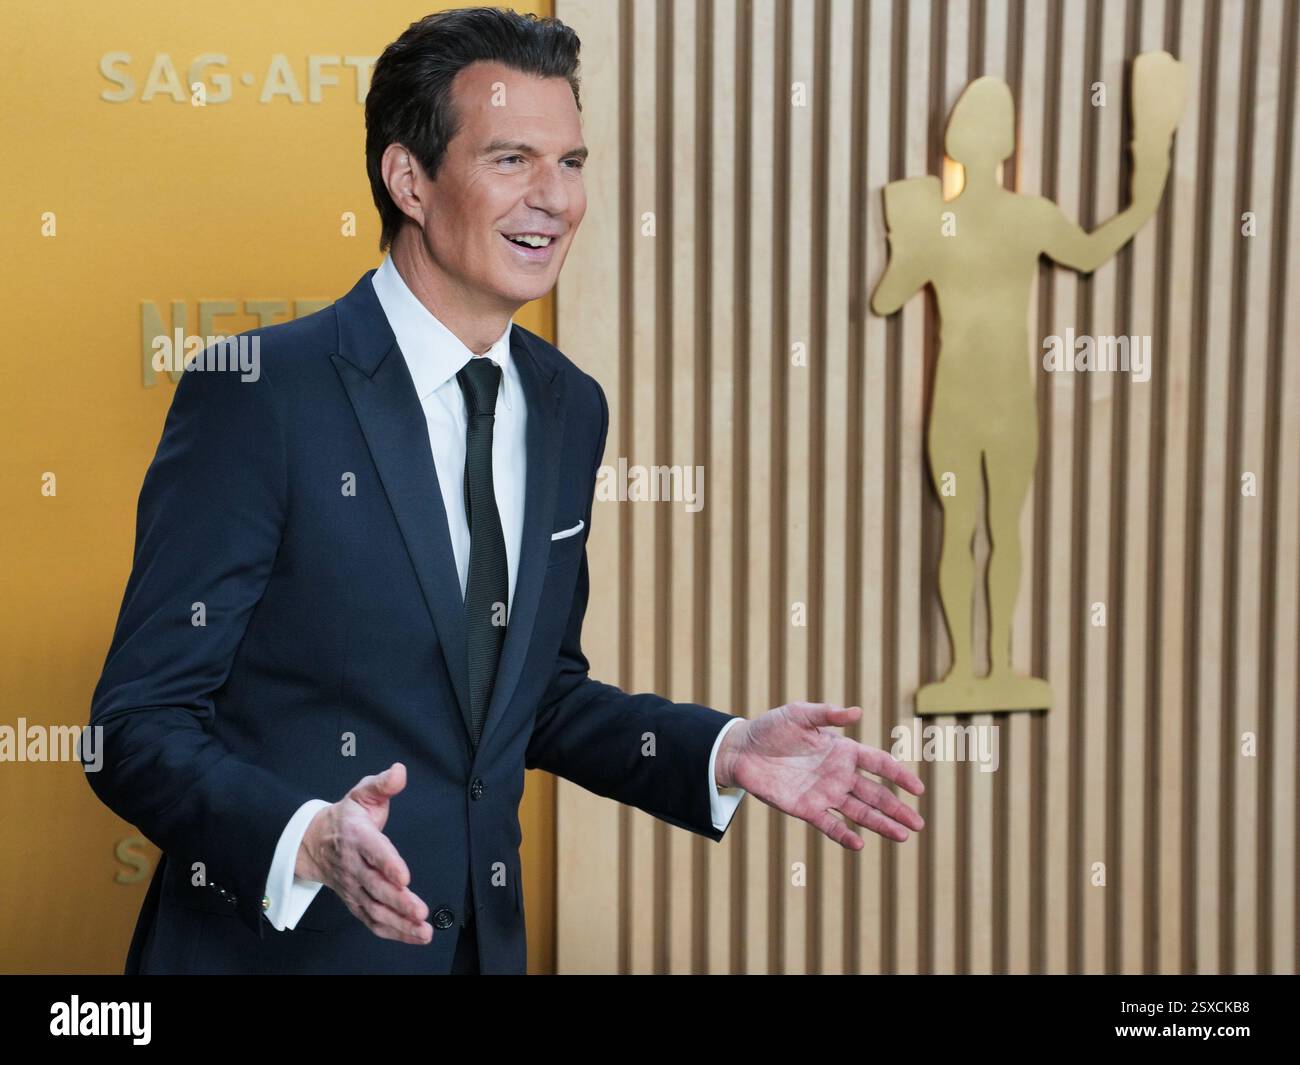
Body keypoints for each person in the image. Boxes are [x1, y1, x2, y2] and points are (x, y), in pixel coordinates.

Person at [86, 6, 925, 976]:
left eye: (570, 162)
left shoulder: (568, 405)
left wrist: (722, 747)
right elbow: (134, 725)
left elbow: (534, 699)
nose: (554, 199)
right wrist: (305, 837)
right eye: (511, 160)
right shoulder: (264, 390)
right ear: (409, 178)